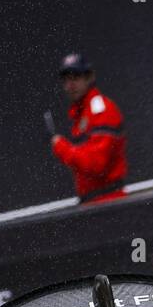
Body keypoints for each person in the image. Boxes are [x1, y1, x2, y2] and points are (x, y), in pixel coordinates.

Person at [48, 52, 128, 203]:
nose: (70, 85)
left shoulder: (101, 110)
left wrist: (61, 147)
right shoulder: (82, 114)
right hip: (95, 203)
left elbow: (96, 164)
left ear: (89, 77)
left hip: (109, 203)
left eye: (76, 77)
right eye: (66, 79)